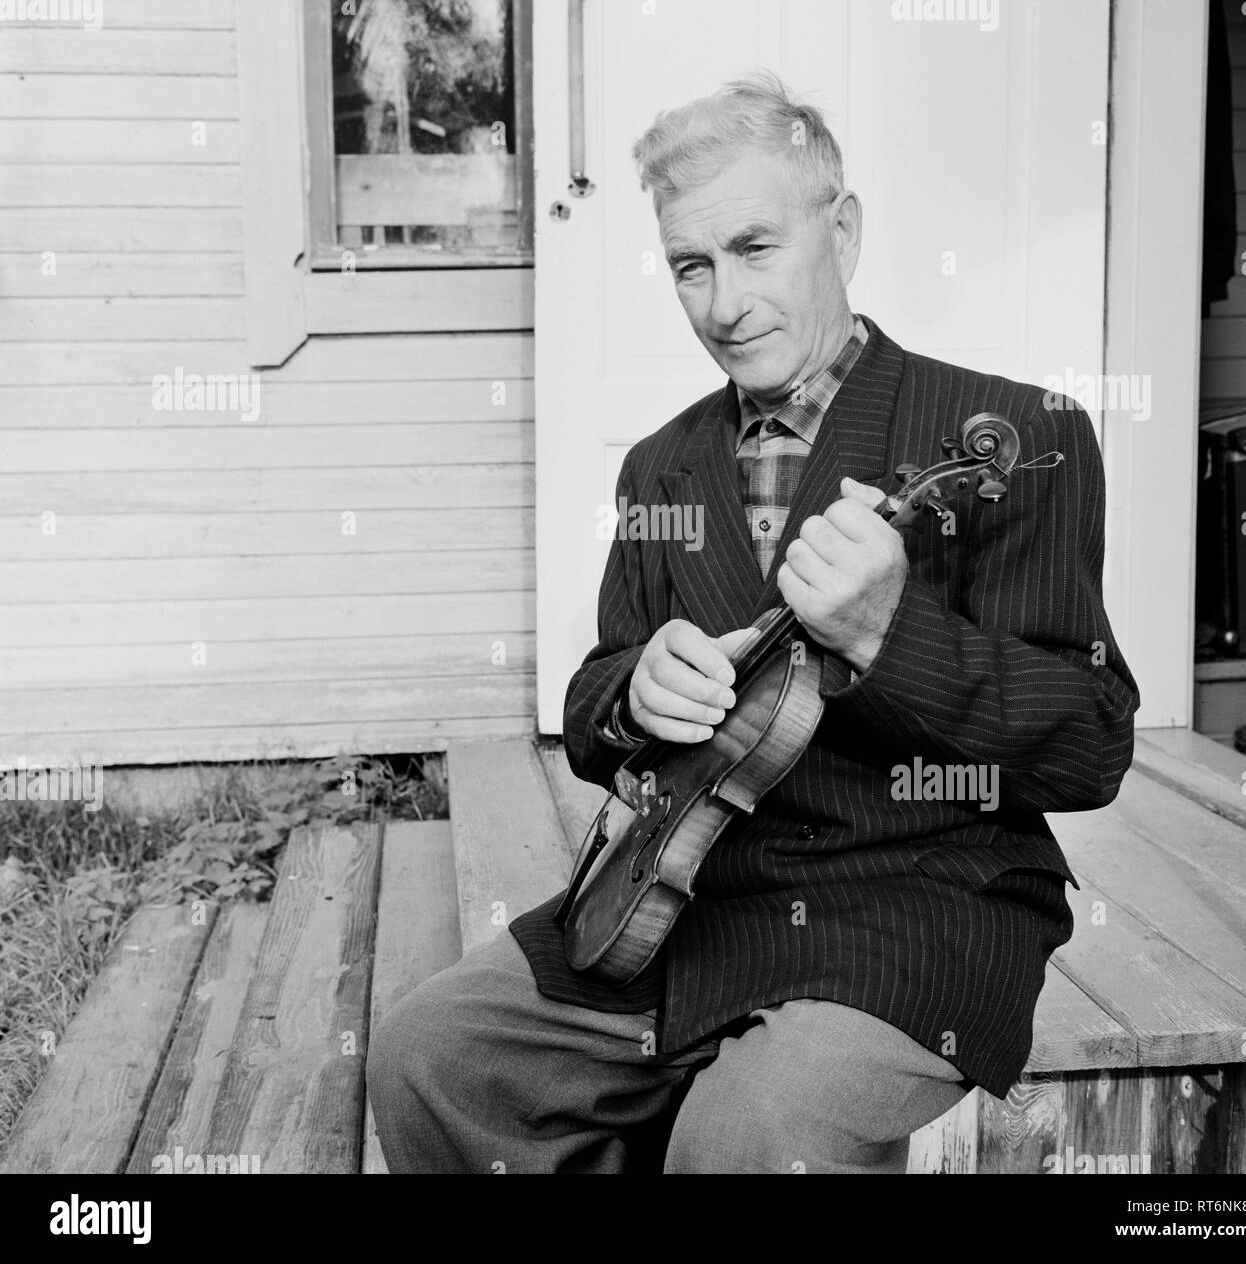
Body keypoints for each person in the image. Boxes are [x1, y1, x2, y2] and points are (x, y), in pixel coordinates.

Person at [367, 70, 1140, 1174]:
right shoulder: (661, 463)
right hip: (685, 900)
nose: (724, 303)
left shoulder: (1014, 431)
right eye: (692, 265)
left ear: (844, 232)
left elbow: (1090, 742)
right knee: (427, 1054)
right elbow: (590, 706)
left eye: (755, 248)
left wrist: (888, 635)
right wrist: (635, 691)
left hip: (914, 906)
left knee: (749, 1137)